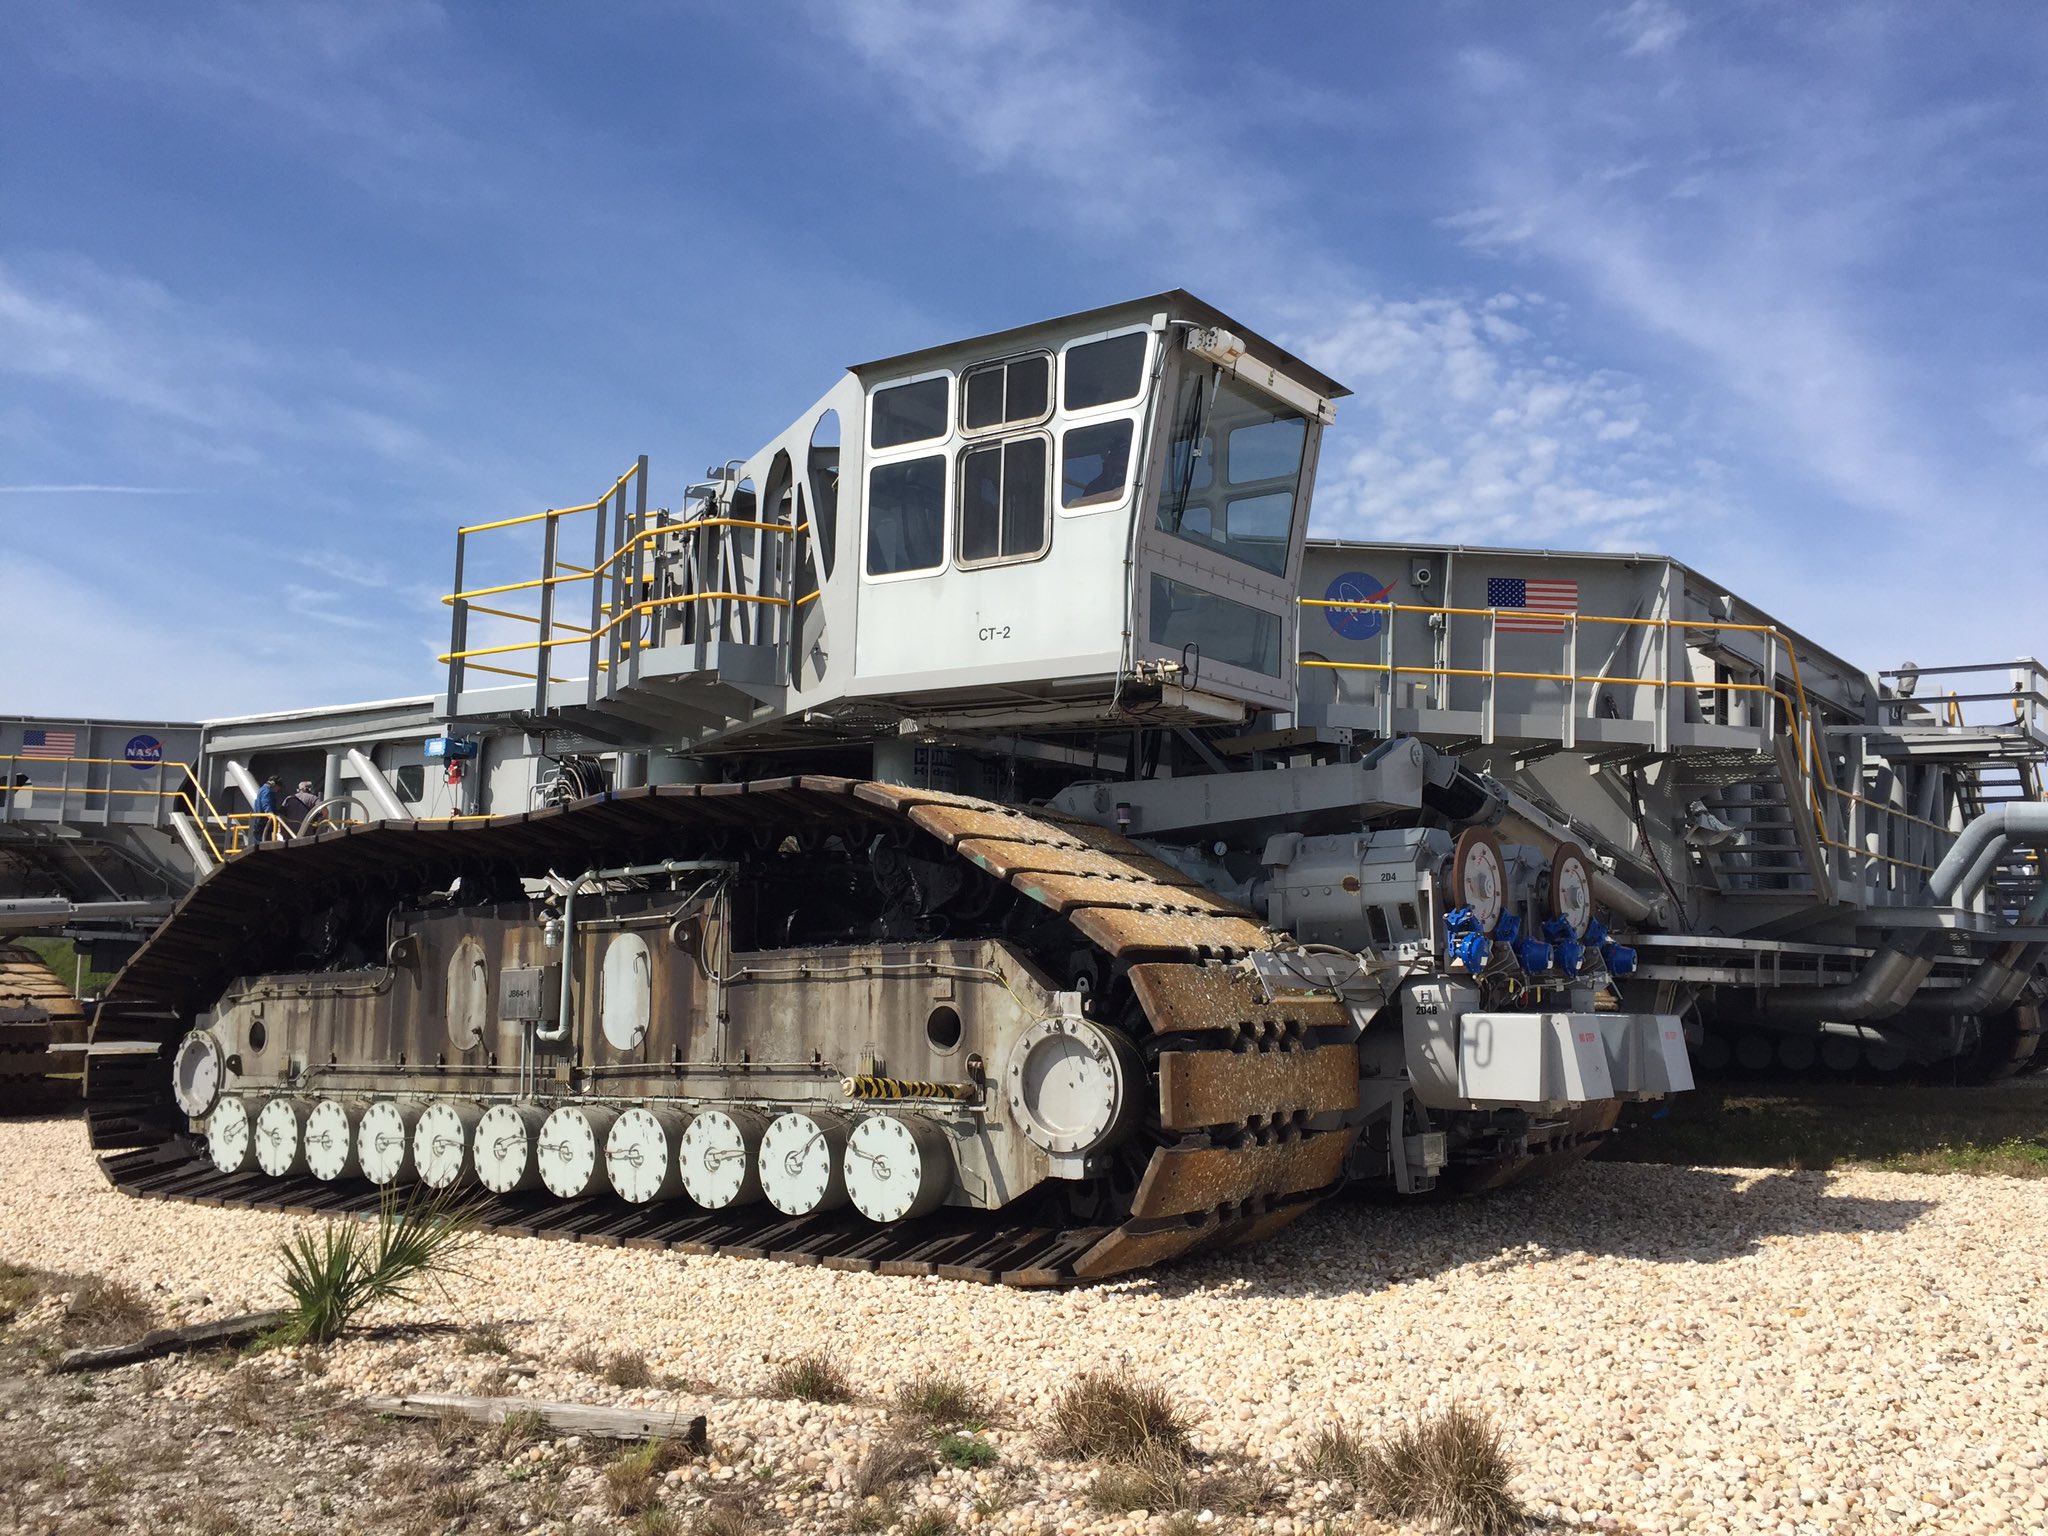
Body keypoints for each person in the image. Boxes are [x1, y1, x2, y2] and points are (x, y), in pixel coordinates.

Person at [252, 775, 282, 844]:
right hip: (262, 822)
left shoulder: (263, 789)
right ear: (274, 784)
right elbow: (266, 803)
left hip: (261, 820)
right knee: (262, 842)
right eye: (278, 787)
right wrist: (270, 815)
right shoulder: (267, 791)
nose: (278, 790)